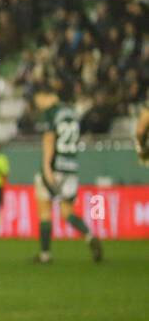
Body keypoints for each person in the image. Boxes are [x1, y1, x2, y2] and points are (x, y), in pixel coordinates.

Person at [33, 90, 102, 264]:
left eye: (38, 100)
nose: (37, 104)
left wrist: (47, 169)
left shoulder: (51, 113)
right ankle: (89, 236)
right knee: (67, 212)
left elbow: (49, 141)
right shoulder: (71, 112)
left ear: (46, 96)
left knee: (45, 210)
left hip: (55, 167)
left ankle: (45, 254)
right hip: (71, 168)